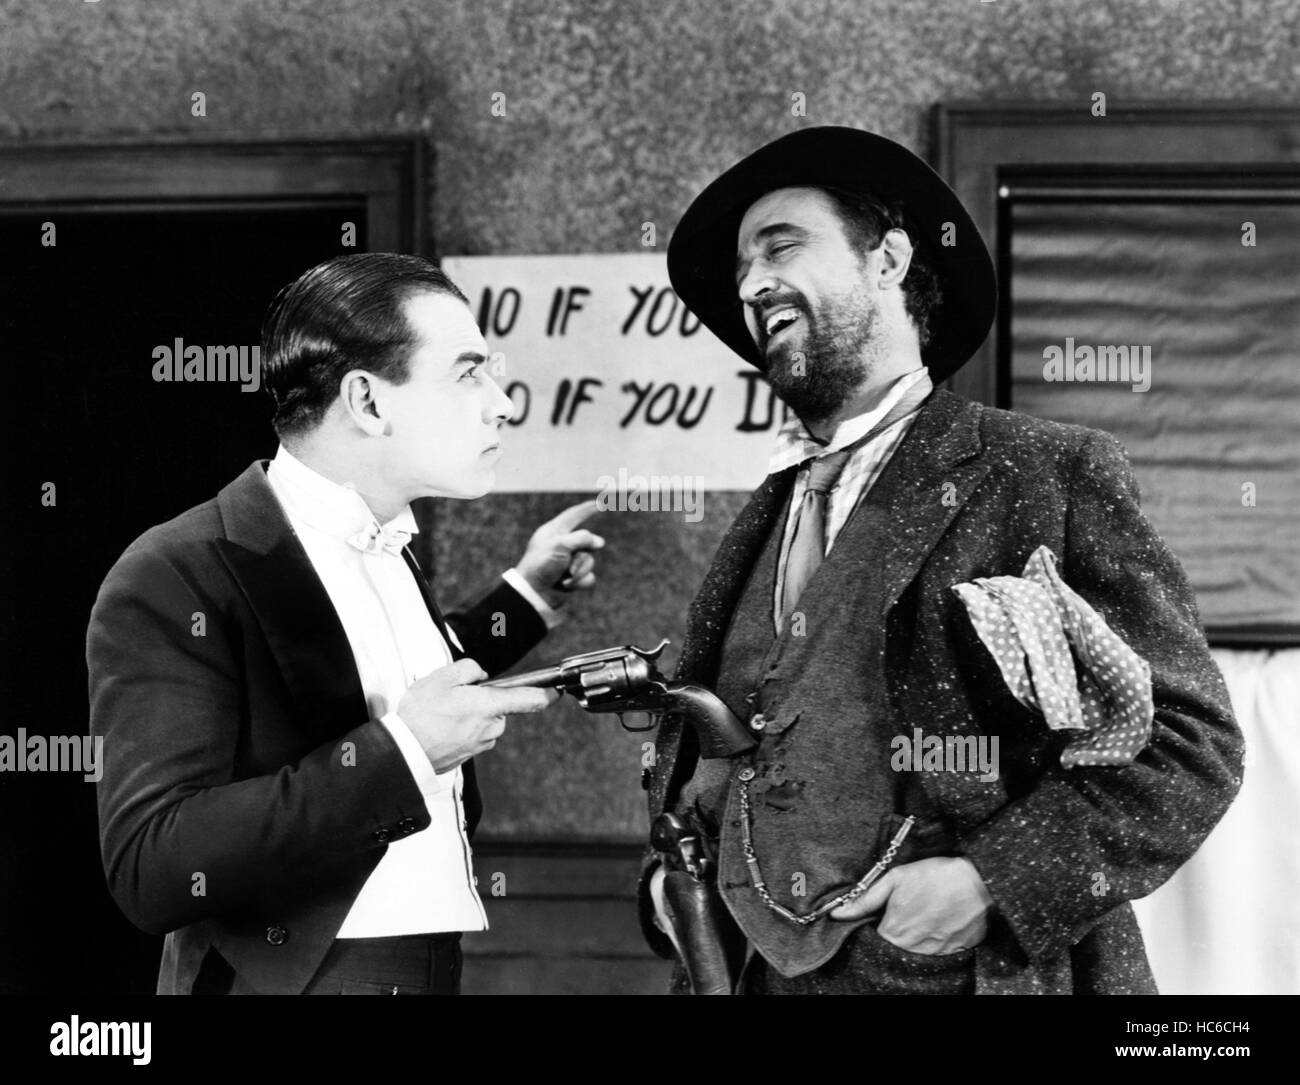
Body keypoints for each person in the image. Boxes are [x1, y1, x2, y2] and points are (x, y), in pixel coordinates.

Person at [640, 127, 1243, 994]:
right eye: (742, 270)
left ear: (888, 259)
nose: (752, 283)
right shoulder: (767, 513)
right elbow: (714, 739)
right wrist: (669, 880)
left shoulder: (1042, 470)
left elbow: (1191, 747)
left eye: (781, 247)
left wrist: (989, 882)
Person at [88, 253, 604, 995]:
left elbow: (368, 678)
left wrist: (525, 597)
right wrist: (407, 751)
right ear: (367, 401)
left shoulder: (390, 540)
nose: (502, 403)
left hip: (435, 968)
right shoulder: (175, 572)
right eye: (467, 372)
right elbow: (154, 864)